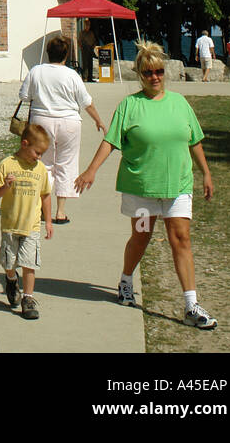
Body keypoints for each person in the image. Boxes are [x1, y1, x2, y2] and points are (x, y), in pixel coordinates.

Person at [74, 40, 216, 329]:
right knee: (142, 236)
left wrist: (206, 173)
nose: (155, 77)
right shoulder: (130, 105)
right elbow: (111, 141)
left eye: (159, 71)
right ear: (140, 75)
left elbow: (194, 140)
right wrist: (91, 170)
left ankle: (191, 305)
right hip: (141, 187)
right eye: (149, 73)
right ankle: (126, 280)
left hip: (178, 184)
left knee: (181, 238)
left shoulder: (179, 103)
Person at [18, 34, 106, 224]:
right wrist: (98, 120)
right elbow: (86, 102)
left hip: (42, 121)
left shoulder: (36, 71)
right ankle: (60, 211)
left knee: (44, 165)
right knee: (66, 164)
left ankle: (43, 208)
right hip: (69, 122)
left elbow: (24, 96)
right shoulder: (71, 75)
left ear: (48, 53)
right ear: (66, 55)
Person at [0, 123, 54, 320]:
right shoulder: (7, 165)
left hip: (32, 226)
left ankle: (28, 298)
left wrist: (49, 221)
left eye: (42, 153)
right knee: (8, 262)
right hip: (10, 225)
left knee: (29, 263)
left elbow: (45, 195)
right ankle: (11, 279)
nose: (39, 157)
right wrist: (6, 186)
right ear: (24, 144)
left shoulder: (41, 169)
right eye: (37, 152)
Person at [79, 18, 98, 82]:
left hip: (90, 49)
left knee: (90, 64)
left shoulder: (91, 33)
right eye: (86, 25)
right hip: (84, 49)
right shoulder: (82, 33)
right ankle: (84, 78)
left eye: (89, 25)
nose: (88, 27)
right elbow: (79, 41)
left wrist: (93, 46)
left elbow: (94, 41)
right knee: (85, 64)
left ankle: (90, 78)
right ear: (84, 26)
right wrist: (82, 47)